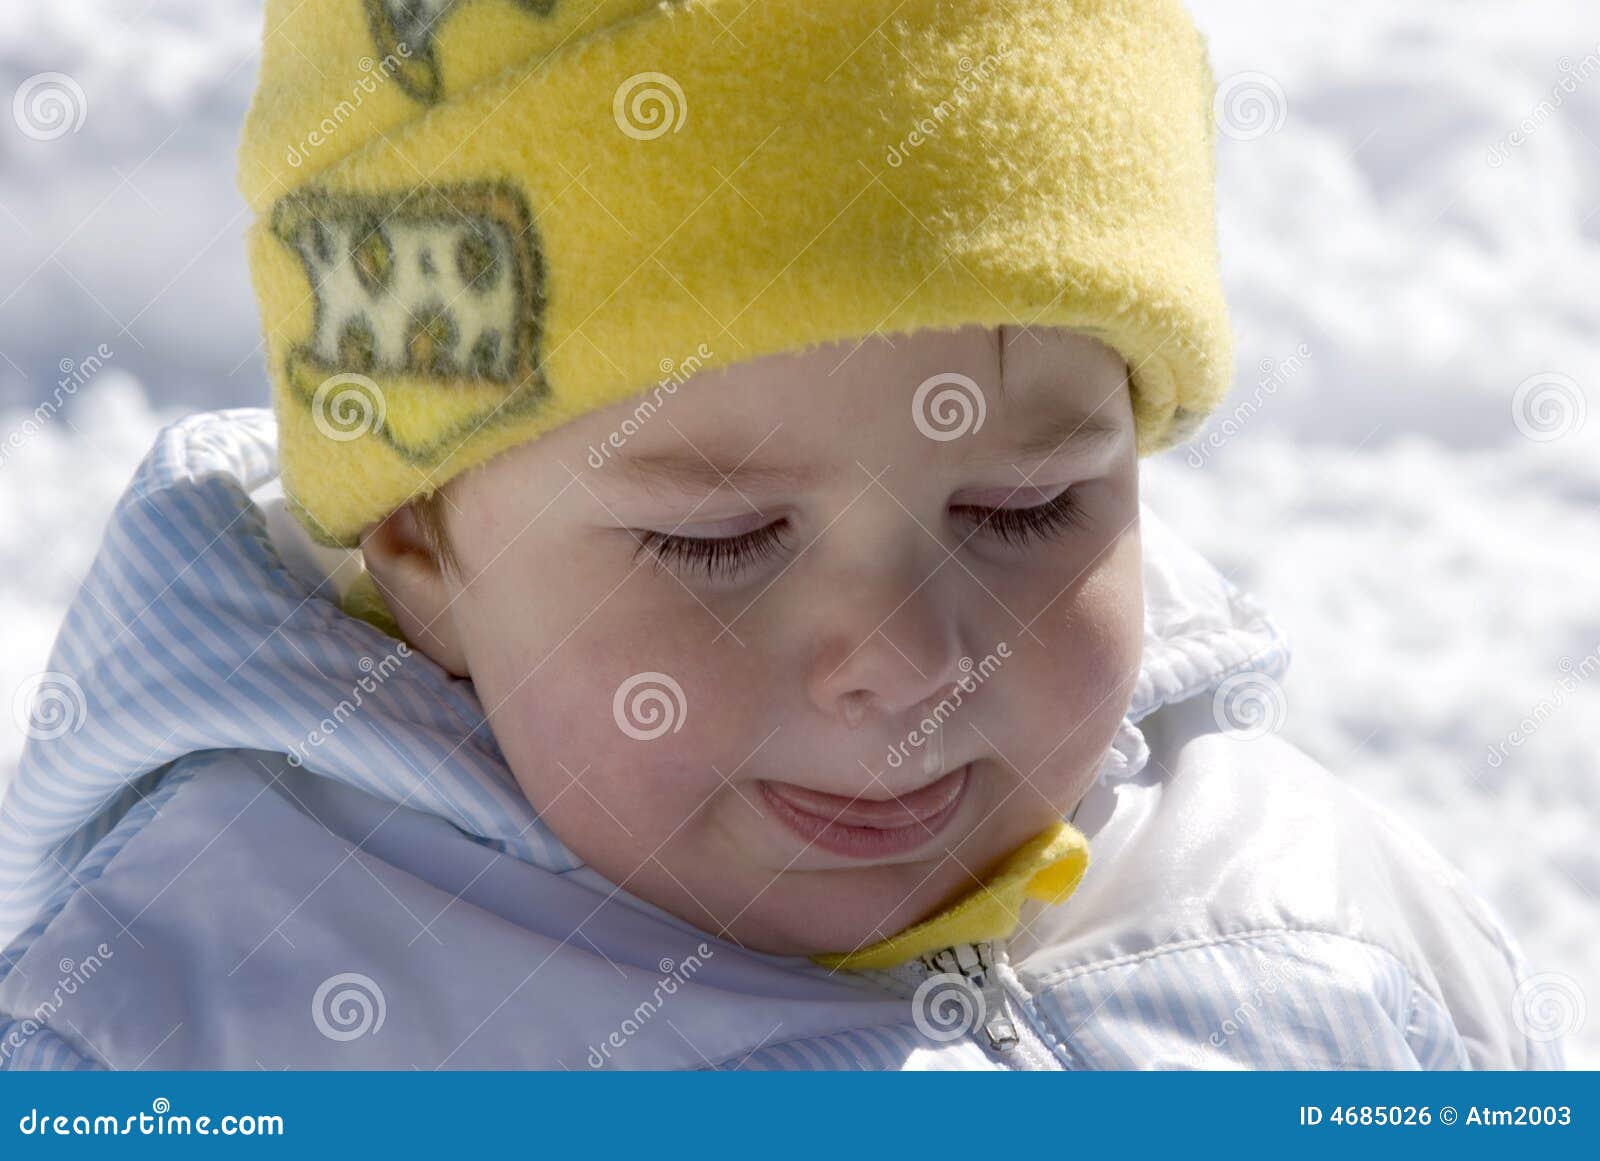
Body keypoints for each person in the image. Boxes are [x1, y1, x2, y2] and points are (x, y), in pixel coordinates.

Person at [0, 0, 1564, 1069]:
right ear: (420, 539)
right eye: (719, 536)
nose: (903, 659)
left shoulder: (1330, 921)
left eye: (1025, 509)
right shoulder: (193, 1029)